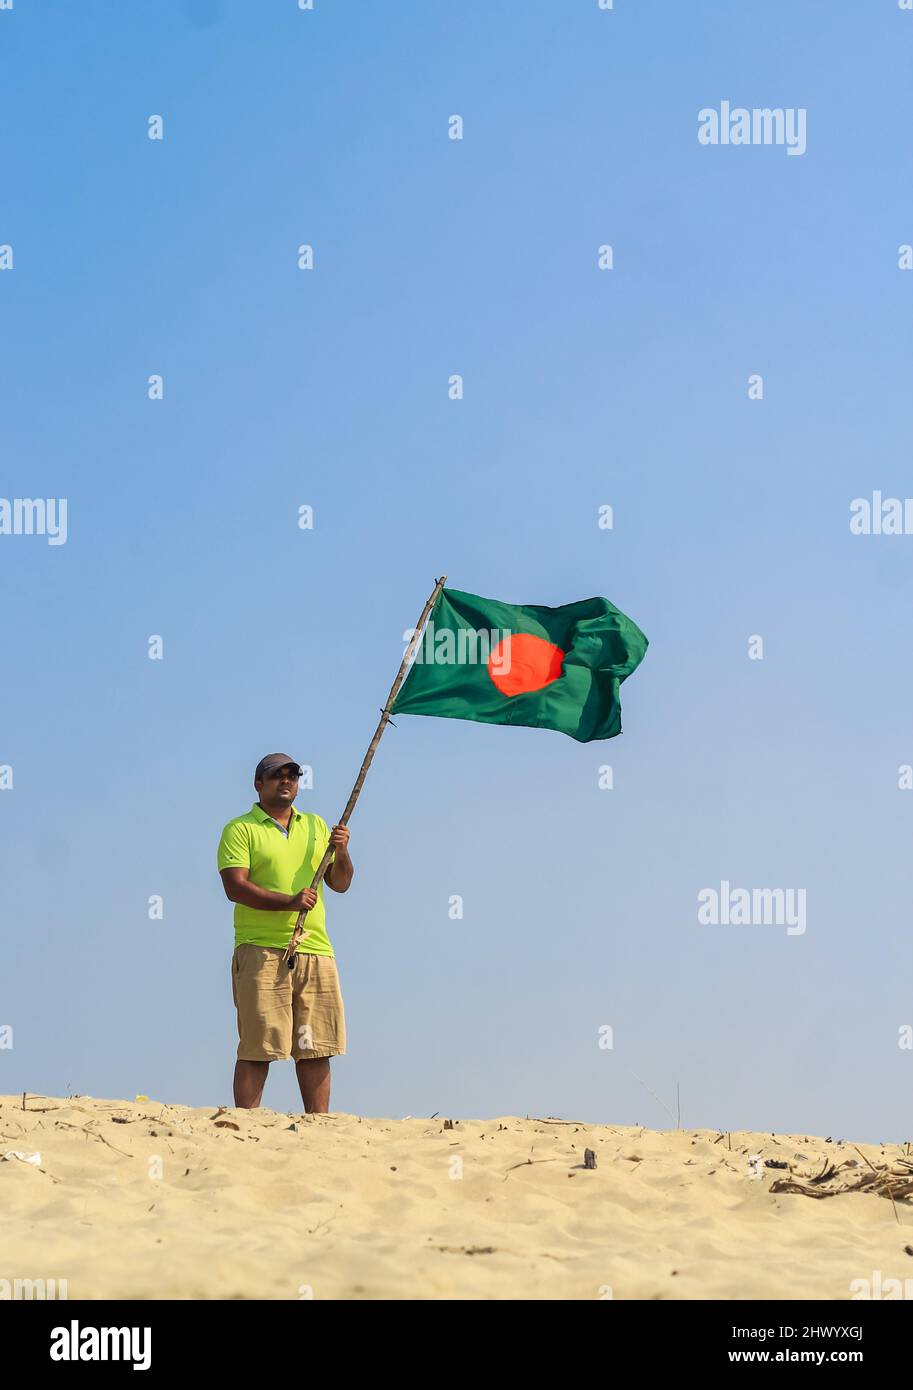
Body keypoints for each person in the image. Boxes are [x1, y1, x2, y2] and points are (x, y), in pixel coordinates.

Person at [217, 753, 353, 1112]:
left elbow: (339, 883)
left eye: (293, 775)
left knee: (316, 1046)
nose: (287, 780)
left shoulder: (316, 826)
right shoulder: (241, 828)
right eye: (276, 775)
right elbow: (235, 887)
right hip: (261, 950)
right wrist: (289, 902)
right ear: (258, 784)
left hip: (315, 948)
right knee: (258, 1046)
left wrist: (342, 850)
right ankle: (245, 1123)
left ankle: (319, 1126)